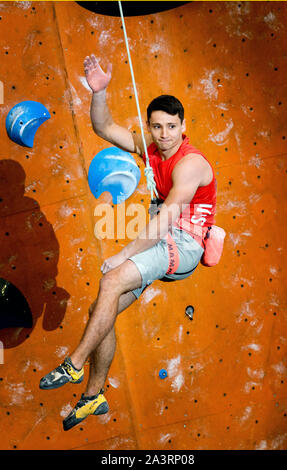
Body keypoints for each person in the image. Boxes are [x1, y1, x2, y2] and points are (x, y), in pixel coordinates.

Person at [39, 54, 217, 431]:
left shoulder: (191, 164)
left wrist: (122, 253)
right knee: (100, 312)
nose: (164, 134)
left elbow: (167, 218)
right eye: (157, 127)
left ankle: (73, 364)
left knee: (111, 278)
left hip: (182, 245)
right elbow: (104, 127)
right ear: (151, 128)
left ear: (183, 127)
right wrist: (98, 92)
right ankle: (93, 396)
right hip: (161, 243)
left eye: (171, 126)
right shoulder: (151, 148)